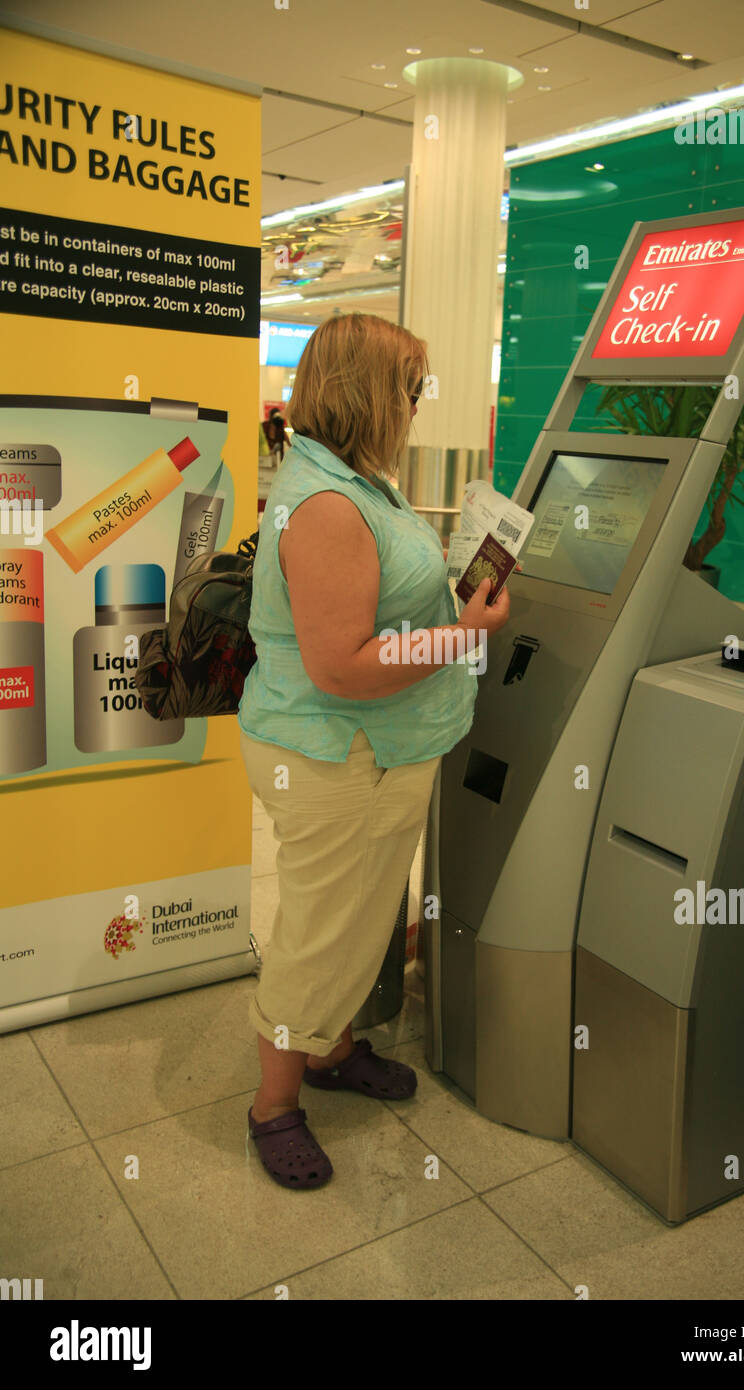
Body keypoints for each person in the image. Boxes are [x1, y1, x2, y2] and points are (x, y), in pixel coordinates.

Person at [238, 313, 510, 1189]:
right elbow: (344, 666)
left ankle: (331, 1051)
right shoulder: (324, 503)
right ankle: (274, 1104)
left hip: (378, 749)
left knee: (357, 917)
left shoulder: (357, 480)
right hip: (334, 749)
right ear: (367, 394)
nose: (417, 404)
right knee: (319, 932)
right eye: (410, 387)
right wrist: (463, 634)